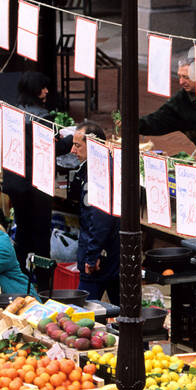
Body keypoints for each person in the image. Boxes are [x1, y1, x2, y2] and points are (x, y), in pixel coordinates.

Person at [1, 72, 72, 291]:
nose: (46, 91)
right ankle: (43, 282)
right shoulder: (42, 116)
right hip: (36, 185)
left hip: (14, 181)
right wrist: (71, 139)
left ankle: (21, 277)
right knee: (41, 235)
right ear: (35, 90)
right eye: (43, 87)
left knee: (22, 230)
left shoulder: (12, 112)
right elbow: (51, 148)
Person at [66, 123, 121, 301]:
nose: (73, 150)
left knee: (84, 310)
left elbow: (100, 218)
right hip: (113, 251)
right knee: (122, 306)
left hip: (100, 256)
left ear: (93, 146)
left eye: (77, 145)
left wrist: (92, 255)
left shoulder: (98, 173)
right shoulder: (106, 165)